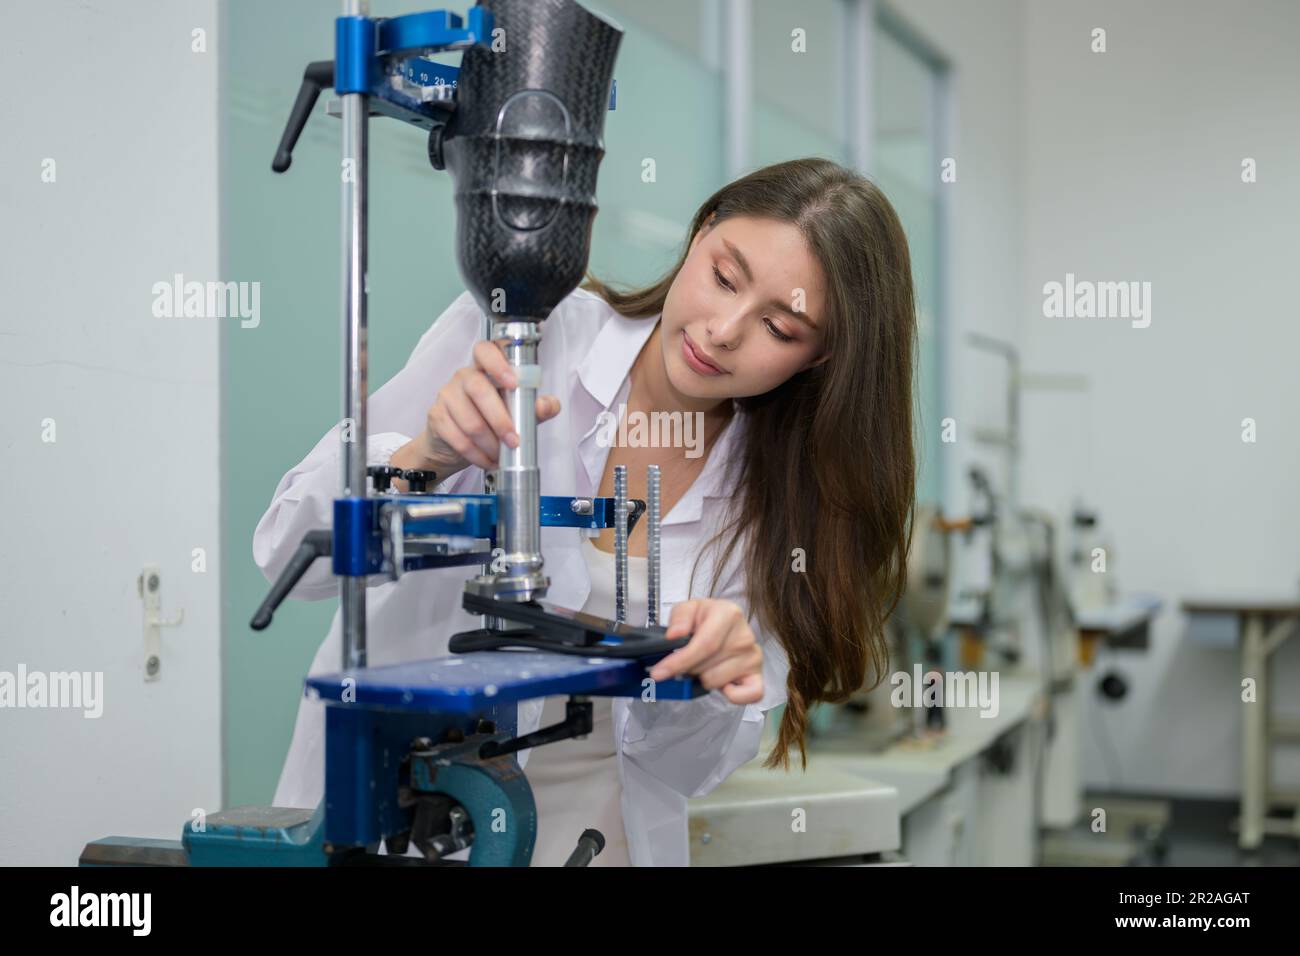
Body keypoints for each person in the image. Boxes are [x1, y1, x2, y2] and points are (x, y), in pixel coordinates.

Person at [253, 157, 918, 866]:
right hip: (389, 828)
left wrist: (710, 684)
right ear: (701, 233)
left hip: (592, 843)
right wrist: (428, 456)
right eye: (724, 276)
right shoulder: (525, 330)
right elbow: (288, 554)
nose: (723, 330)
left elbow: (688, 768)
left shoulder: (786, 506)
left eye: (780, 327)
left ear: (820, 358)